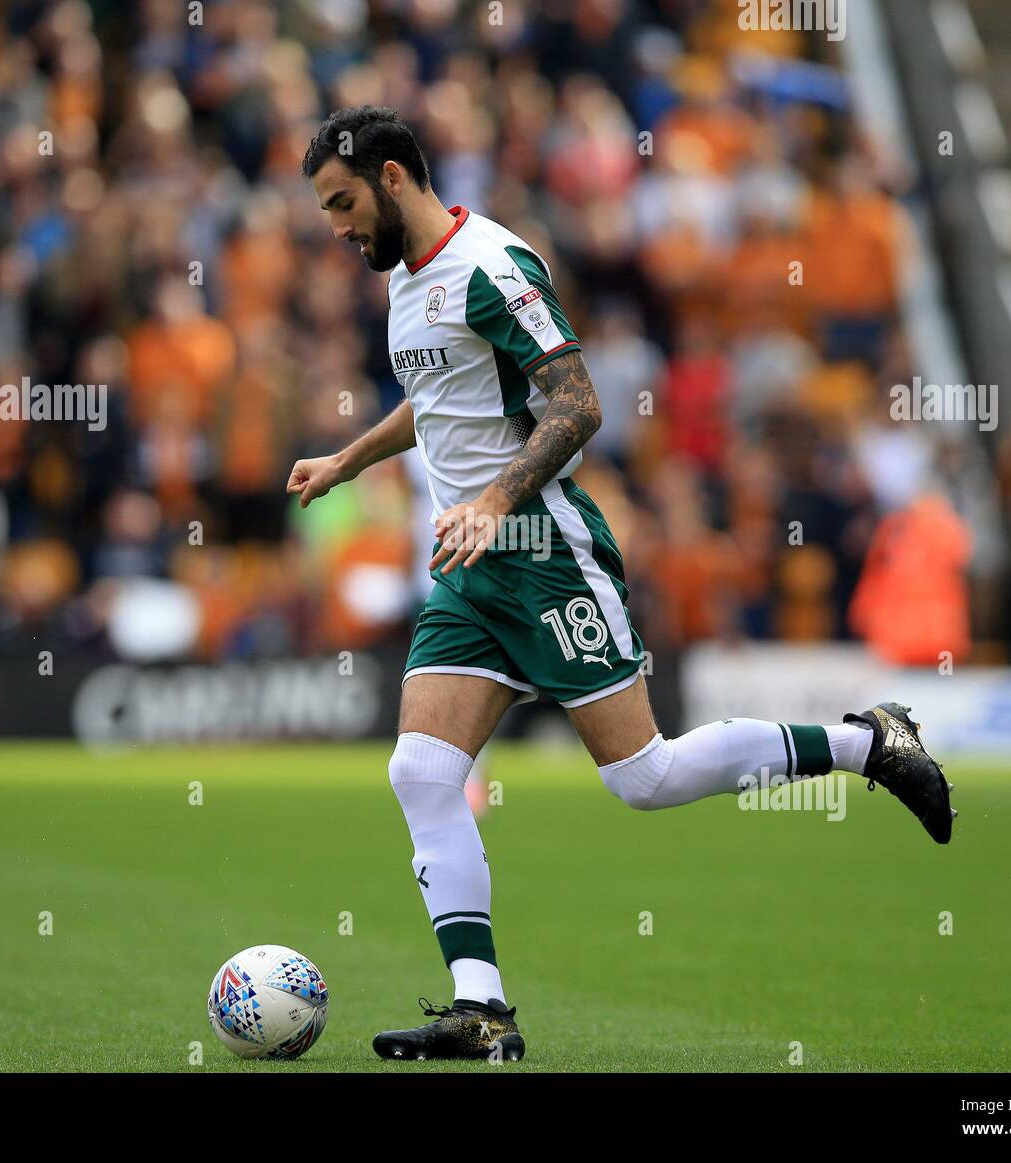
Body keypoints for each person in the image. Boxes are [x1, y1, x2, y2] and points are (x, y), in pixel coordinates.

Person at [287, 106, 955, 1063]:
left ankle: (868, 743)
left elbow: (578, 402)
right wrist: (351, 459)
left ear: (394, 177)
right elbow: (440, 398)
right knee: (421, 772)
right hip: (472, 572)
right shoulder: (407, 280)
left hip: (544, 548)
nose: (338, 226)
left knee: (644, 776)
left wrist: (495, 498)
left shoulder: (494, 267)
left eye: (344, 202)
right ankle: (482, 1010)